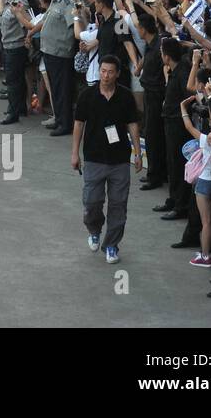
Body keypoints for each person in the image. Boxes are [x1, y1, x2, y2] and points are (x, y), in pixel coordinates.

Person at [71, 54, 142, 264]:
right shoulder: (87, 95)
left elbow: (132, 125)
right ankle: (94, 229)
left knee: (118, 205)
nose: (106, 75)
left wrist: (137, 152)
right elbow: (78, 124)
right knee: (92, 201)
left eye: (110, 72)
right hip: (93, 158)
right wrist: (75, 152)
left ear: (117, 74)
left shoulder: (126, 96)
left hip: (119, 159)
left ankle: (111, 244)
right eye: (103, 71)